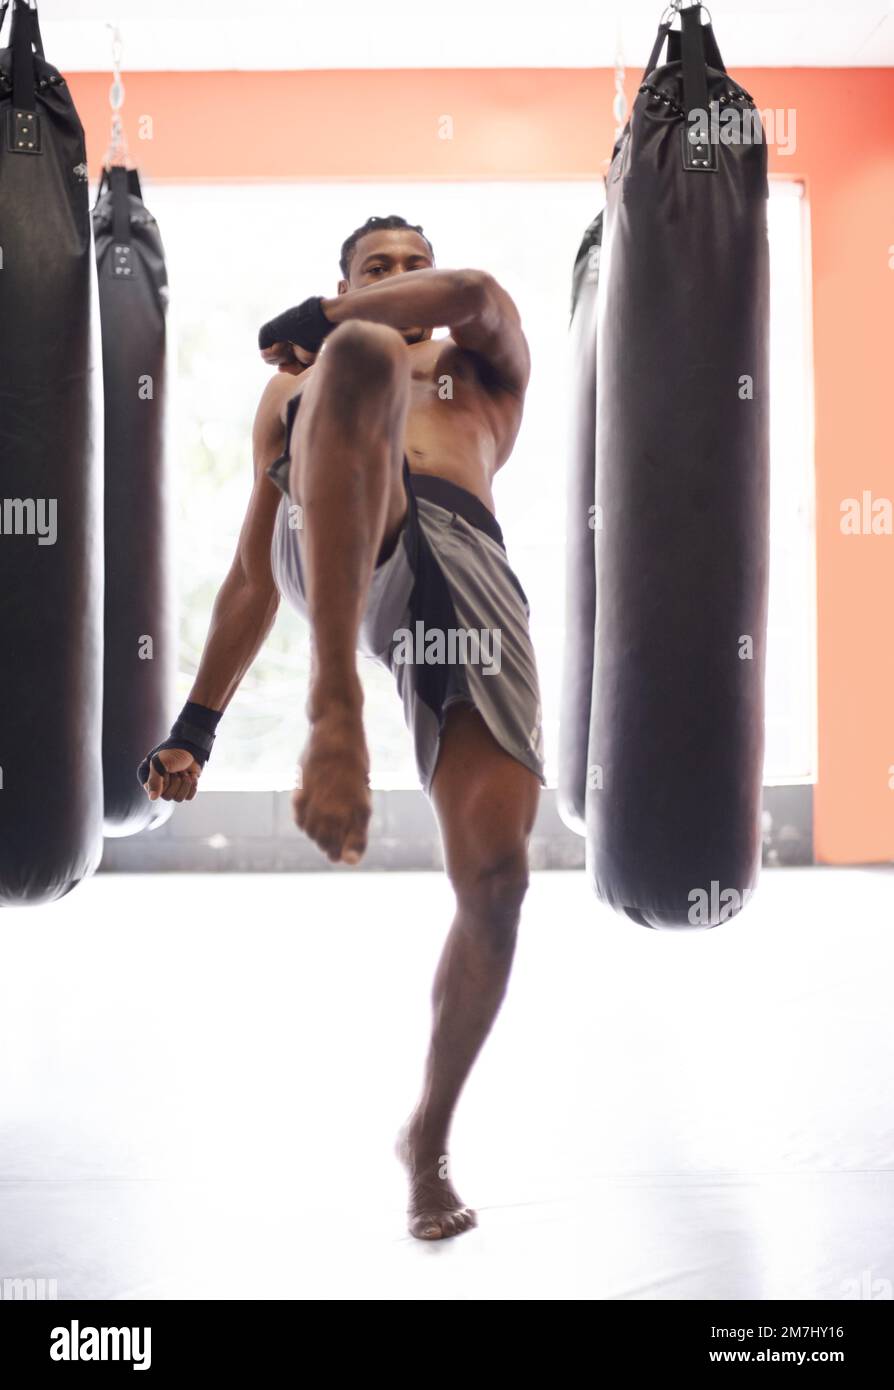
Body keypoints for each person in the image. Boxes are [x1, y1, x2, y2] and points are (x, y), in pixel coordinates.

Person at [138, 214, 546, 1241]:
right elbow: (245, 575)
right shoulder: (297, 382)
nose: (404, 280)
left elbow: (479, 294)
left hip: (459, 578)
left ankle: (429, 1137)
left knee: (496, 884)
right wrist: (197, 723)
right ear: (343, 277)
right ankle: (335, 705)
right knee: (358, 360)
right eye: (377, 268)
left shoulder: (479, 373)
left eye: (414, 266)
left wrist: (332, 312)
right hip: (322, 552)